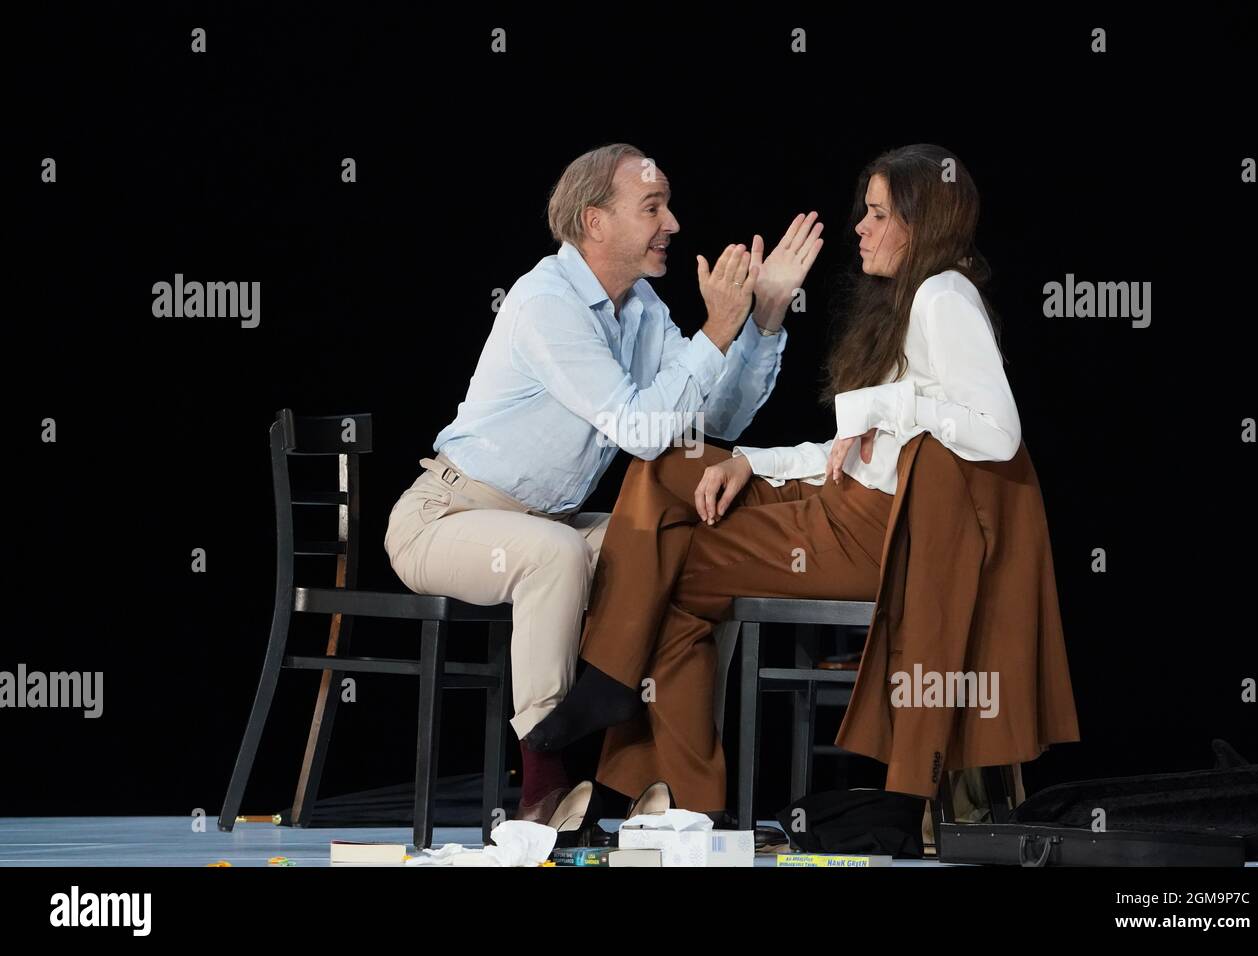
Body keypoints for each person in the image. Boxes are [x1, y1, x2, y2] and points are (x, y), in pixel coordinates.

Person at [526, 144, 1035, 812]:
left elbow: (998, 431)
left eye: (879, 214)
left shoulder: (943, 296)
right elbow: (847, 450)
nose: (861, 226)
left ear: (924, 220)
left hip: (874, 536)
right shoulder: (909, 301)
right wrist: (748, 461)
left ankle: (625, 704)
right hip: (839, 509)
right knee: (670, 526)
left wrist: (879, 404)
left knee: (662, 496)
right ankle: (676, 793)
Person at [383, 142, 824, 820]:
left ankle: (665, 781)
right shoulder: (545, 303)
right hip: (445, 517)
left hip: (546, 523)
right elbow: (642, 429)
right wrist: (716, 330)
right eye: (652, 207)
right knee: (555, 556)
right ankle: (541, 781)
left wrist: (761, 321)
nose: (672, 223)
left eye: (668, 206)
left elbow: (708, 422)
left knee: (687, 556)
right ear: (594, 221)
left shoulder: (641, 309)